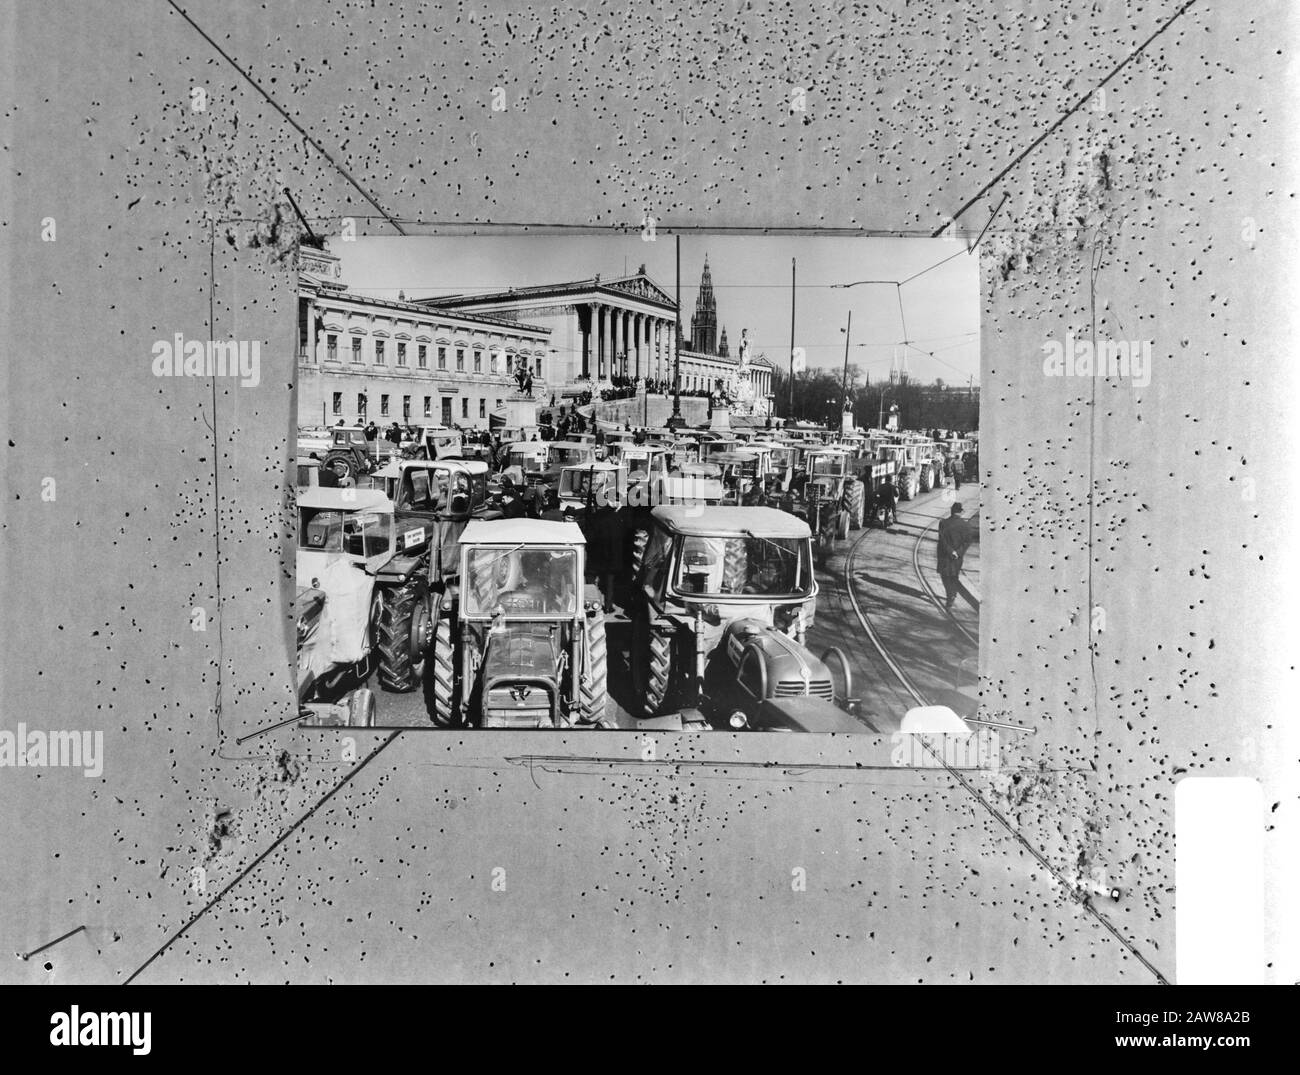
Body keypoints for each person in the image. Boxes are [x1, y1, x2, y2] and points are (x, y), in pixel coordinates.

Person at [936, 502, 973, 611]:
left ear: (951, 511)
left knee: (945, 576)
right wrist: (958, 552)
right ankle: (953, 593)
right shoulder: (966, 525)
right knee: (954, 575)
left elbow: (942, 540)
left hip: (944, 555)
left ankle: (950, 596)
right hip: (958, 557)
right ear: (961, 512)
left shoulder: (943, 523)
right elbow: (968, 541)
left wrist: (950, 551)